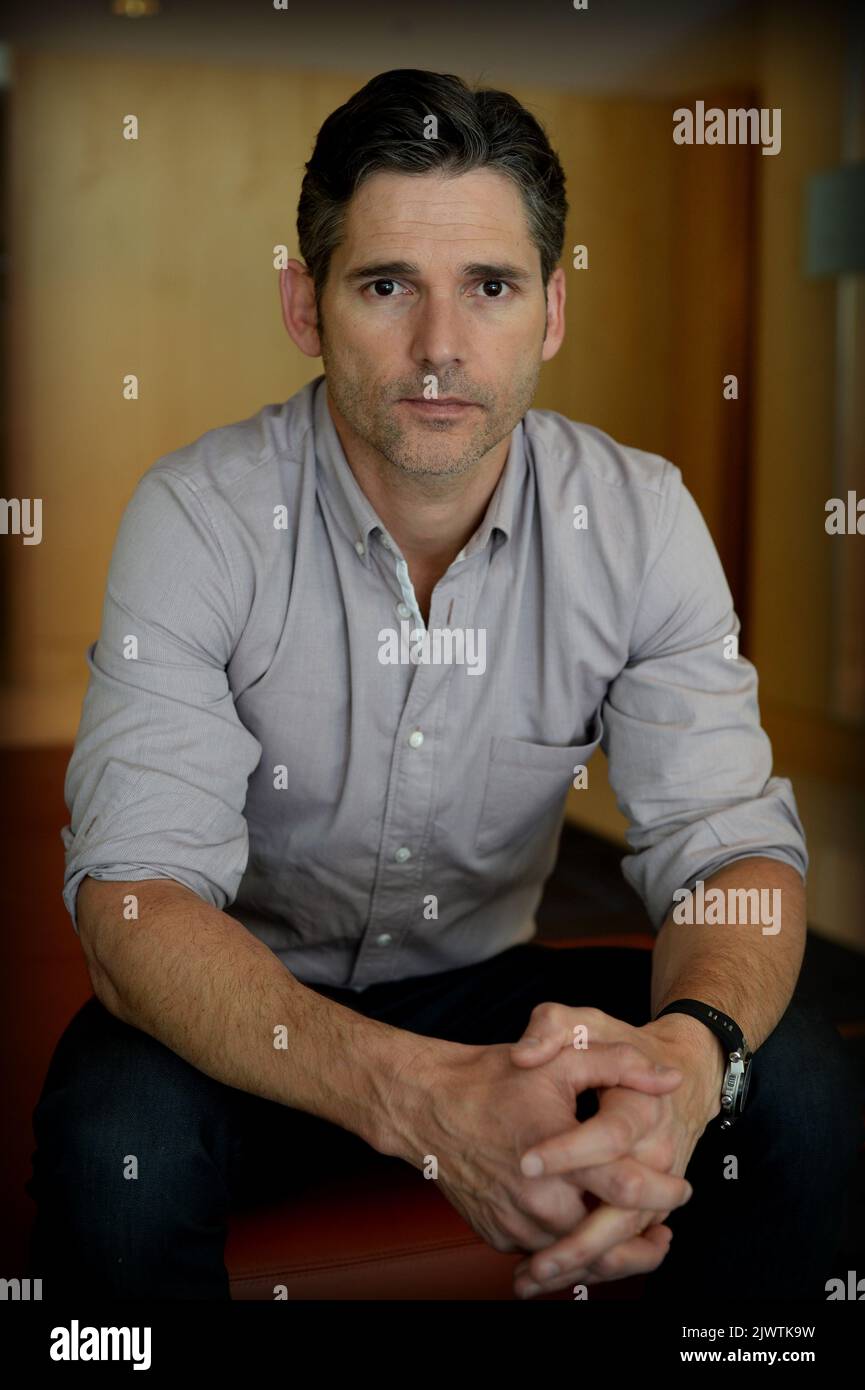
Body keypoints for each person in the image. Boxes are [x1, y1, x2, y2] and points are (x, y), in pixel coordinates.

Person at [27, 68, 859, 1302]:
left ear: (552, 309)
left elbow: (727, 852)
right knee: (112, 1151)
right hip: (249, 1005)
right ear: (304, 306)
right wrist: (416, 1098)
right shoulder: (197, 517)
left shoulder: (639, 522)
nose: (440, 349)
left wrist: (690, 1060)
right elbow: (135, 904)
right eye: (383, 286)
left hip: (488, 984)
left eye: (490, 286)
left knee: (803, 1089)